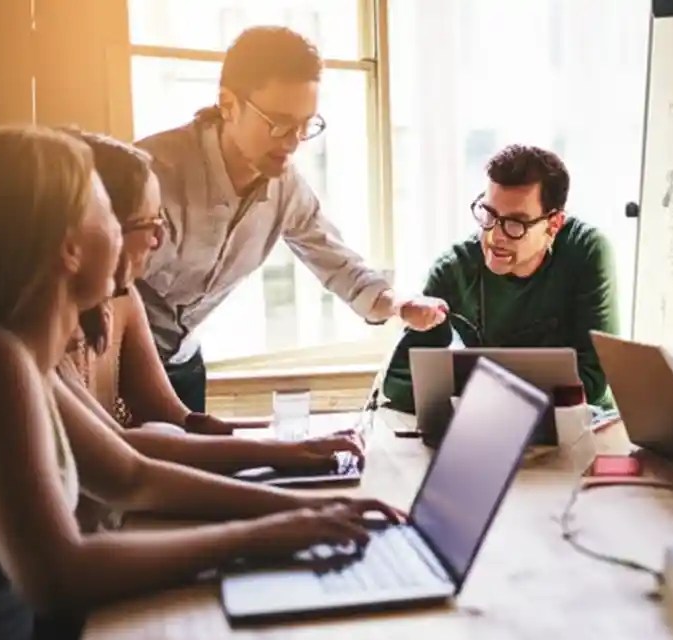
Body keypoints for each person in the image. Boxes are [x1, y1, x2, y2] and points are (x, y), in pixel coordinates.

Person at [0, 125, 398, 640]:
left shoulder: (8, 353)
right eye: (110, 215)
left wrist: (306, 510)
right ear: (68, 246)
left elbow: (131, 475)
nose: (134, 234)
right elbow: (57, 576)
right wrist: (257, 538)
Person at [135, 26, 448, 413]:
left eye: (306, 124)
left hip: (182, 362)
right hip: (111, 361)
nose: (293, 141)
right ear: (228, 103)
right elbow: (106, 294)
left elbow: (341, 266)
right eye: (279, 123)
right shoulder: (151, 175)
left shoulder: (286, 188)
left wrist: (400, 305)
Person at [60, 129, 361, 478]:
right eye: (149, 223)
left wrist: (262, 445)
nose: (159, 239)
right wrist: (280, 458)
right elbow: (124, 457)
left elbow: (171, 419)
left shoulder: (123, 299)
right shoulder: (32, 342)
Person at [381, 144, 620, 410]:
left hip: (580, 425)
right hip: (488, 421)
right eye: (489, 214)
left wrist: (476, 393)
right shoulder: (455, 269)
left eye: (515, 223)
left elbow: (593, 381)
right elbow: (400, 382)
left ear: (553, 224)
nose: (494, 236)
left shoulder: (587, 251)